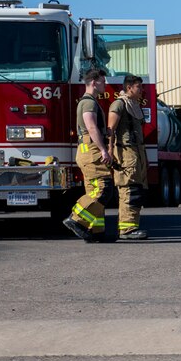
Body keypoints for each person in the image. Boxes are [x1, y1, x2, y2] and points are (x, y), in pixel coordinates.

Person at [62, 68, 116, 243]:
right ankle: (76, 219)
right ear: (94, 82)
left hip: (88, 150)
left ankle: (96, 231)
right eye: (102, 81)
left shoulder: (90, 101)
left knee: (94, 191)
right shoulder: (88, 103)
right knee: (103, 189)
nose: (105, 85)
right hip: (91, 151)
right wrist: (103, 149)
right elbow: (91, 127)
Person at [106, 74, 150, 240]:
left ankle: (132, 226)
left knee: (137, 190)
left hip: (137, 152)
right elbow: (111, 130)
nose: (142, 90)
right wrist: (109, 151)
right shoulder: (119, 104)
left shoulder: (134, 105)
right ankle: (127, 229)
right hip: (125, 152)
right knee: (129, 190)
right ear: (129, 87)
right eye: (139, 87)